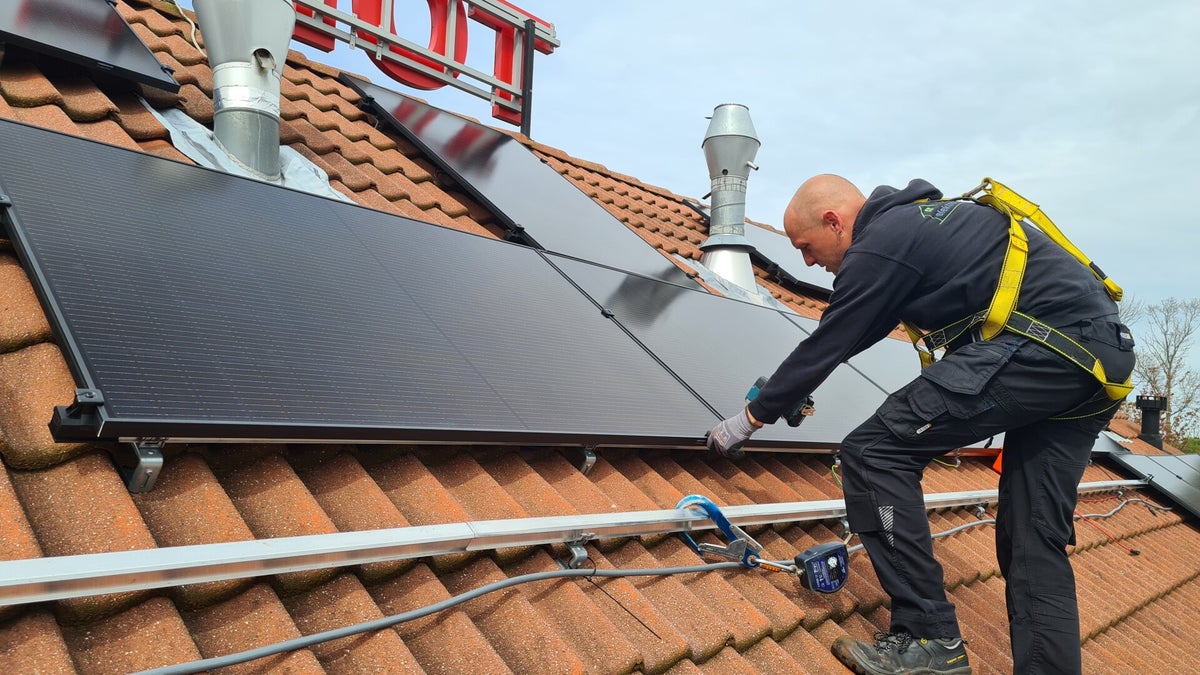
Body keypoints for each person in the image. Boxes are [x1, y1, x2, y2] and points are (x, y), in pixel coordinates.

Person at [707, 175, 1135, 675]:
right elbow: (855, 333)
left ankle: (929, 637)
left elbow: (831, 339)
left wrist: (747, 420)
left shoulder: (883, 240)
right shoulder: (921, 227)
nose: (806, 262)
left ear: (835, 222)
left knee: (874, 453)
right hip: (1099, 361)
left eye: (806, 247)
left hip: (1045, 347)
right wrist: (789, 392)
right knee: (1031, 534)